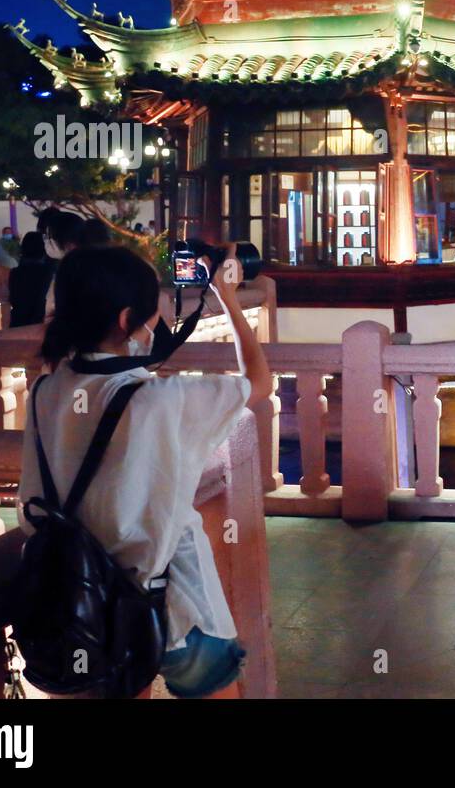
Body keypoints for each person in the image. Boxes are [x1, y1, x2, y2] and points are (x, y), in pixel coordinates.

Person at [19, 243, 272, 698]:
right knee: (216, 688)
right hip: (171, 606)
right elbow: (258, 381)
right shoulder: (160, 399)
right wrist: (228, 297)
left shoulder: (44, 391)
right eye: (152, 314)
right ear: (124, 319)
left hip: (79, 598)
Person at [8, 231, 55, 327]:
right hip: (40, 322)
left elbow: (13, 298)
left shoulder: (15, 272)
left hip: (18, 321)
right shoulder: (48, 272)